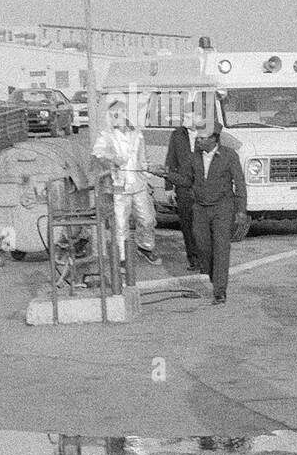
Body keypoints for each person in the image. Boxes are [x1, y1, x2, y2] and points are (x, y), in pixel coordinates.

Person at [175, 118, 247, 305]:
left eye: (201, 138)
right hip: (200, 208)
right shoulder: (193, 157)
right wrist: (165, 174)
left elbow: (239, 183)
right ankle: (213, 275)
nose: (198, 141)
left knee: (221, 248)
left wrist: (241, 210)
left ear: (214, 139)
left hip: (223, 207)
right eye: (197, 138)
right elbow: (185, 180)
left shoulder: (229, 156)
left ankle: (220, 291)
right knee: (203, 247)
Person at [92, 99, 161, 266]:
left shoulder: (137, 134)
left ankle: (145, 246)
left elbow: (143, 157)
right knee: (120, 222)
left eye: (120, 113)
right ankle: (122, 256)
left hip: (138, 184)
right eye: (113, 115)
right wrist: (112, 159)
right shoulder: (106, 135)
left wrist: (146, 173)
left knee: (147, 218)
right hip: (119, 186)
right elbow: (97, 154)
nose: (117, 117)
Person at [163, 111, 201, 271]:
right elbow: (170, 160)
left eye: (188, 117)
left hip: (204, 187)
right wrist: (169, 187)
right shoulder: (177, 135)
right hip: (184, 187)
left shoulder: (210, 134)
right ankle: (193, 259)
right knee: (187, 225)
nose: (184, 120)